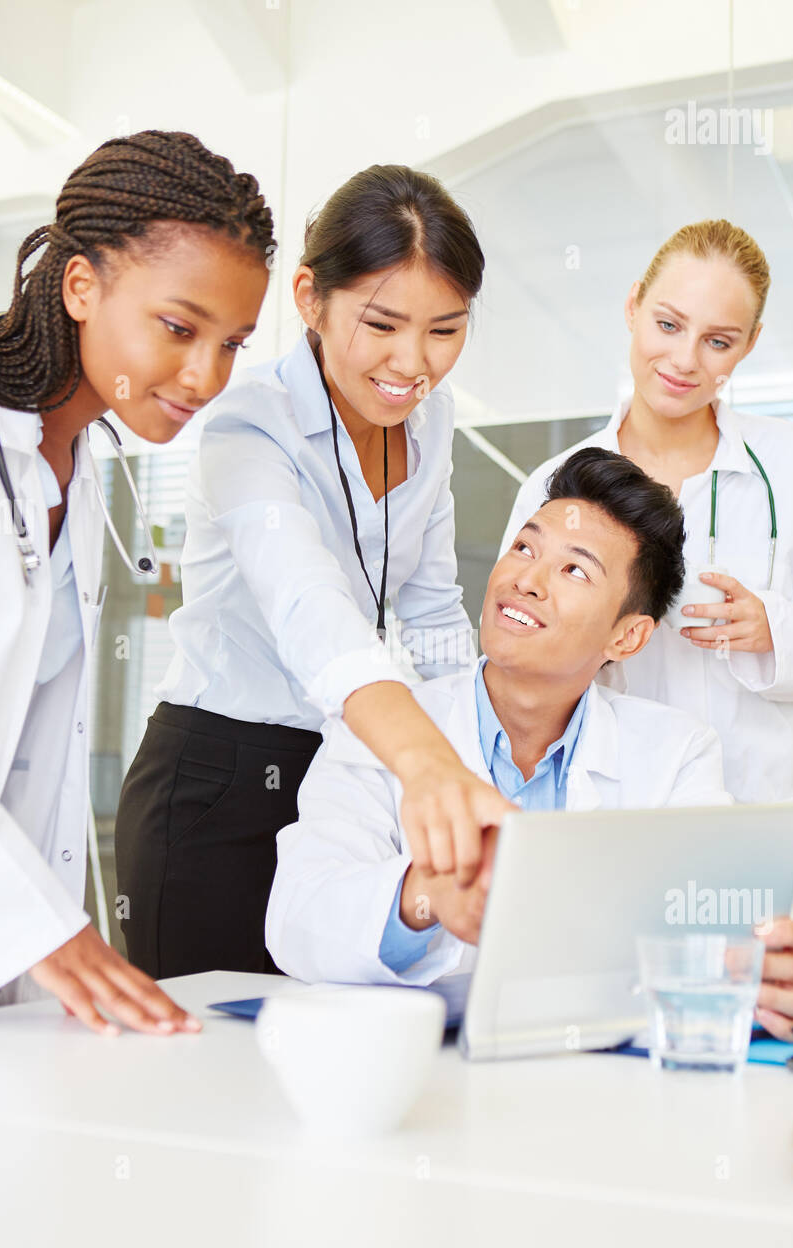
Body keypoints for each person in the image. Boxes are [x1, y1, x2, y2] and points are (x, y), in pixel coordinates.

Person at [267, 448, 793, 1041]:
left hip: (589, 1092)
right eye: (525, 548)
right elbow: (296, 920)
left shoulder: (676, 754)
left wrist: (754, 964)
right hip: (412, 1080)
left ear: (627, 636)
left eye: (575, 570)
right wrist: (424, 899)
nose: (525, 581)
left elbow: (708, 927)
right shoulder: (384, 724)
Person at [115, 164, 511, 980]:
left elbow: (434, 611)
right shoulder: (247, 421)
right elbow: (308, 603)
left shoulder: (429, 427)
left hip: (346, 778)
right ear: (309, 299)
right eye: (383, 324)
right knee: (212, 1078)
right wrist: (425, 759)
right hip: (214, 780)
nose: (414, 362)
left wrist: (480, 750)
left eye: (445, 328)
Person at [500, 220, 793, 1005]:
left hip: (766, 830)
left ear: (752, 344)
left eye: (719, 341)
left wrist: (778, 628)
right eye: (668, 324)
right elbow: (517, 645)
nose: (685, 360)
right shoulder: (558, 483)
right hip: (620, 831)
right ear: (633, 308)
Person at [0, 129, 274, 1034]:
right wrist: (45, 930)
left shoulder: (80, 465)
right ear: (82, 285)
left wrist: (50, 948)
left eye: (231, 343)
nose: (205, 377)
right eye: (179, 328)